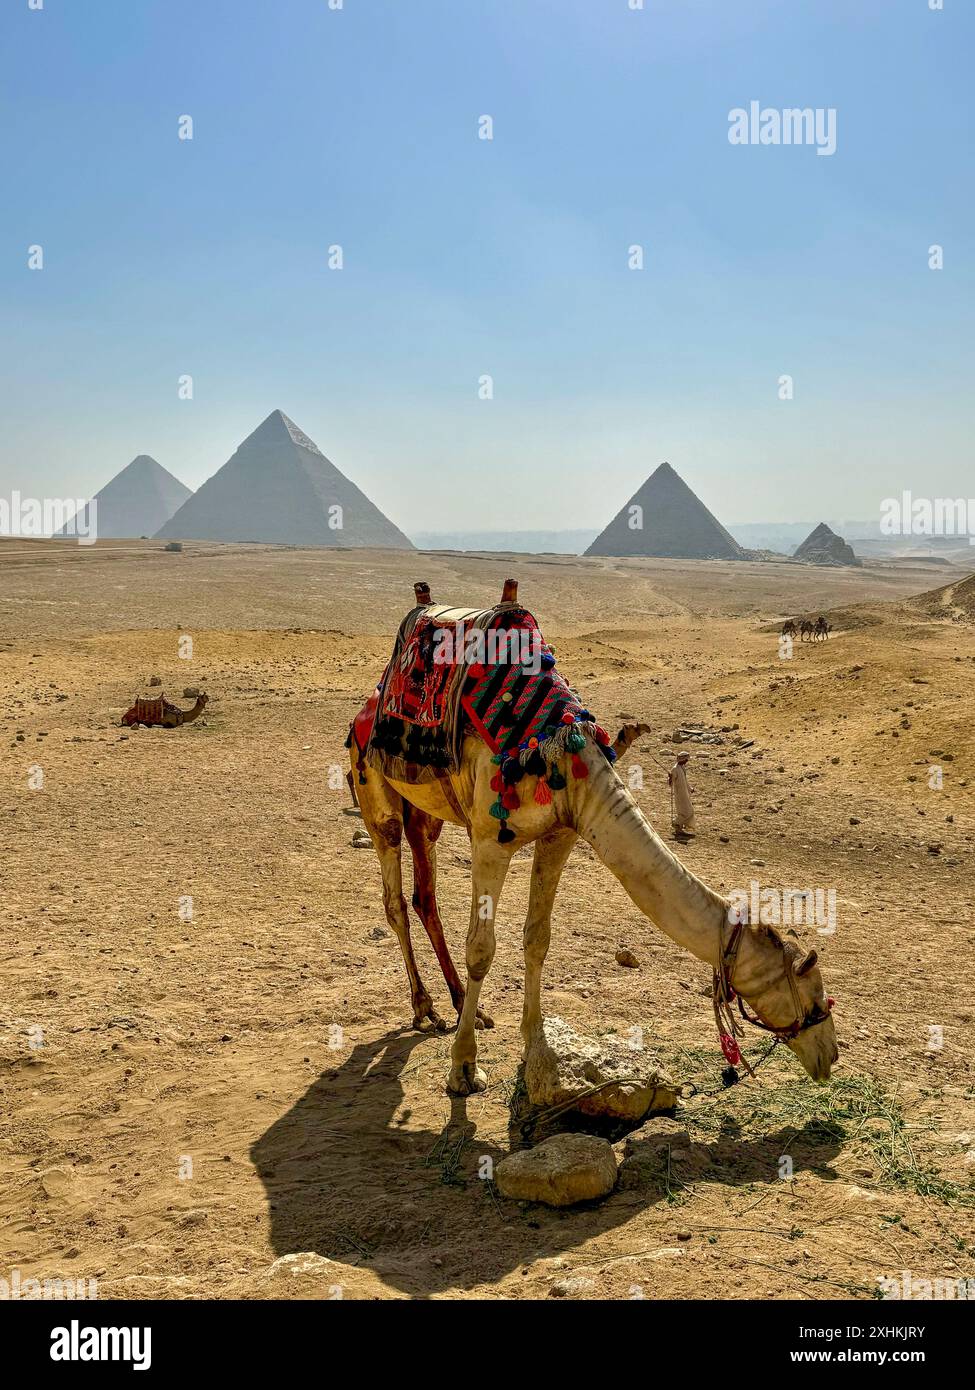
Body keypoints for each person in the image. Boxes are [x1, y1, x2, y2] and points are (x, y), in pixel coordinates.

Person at [668, 751, 695, 837]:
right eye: (686, 760)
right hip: (679, 794)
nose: (687, 761)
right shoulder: (675, 769)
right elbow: (670, 784)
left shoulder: (682, 767)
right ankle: (676, 824)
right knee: (685, 811)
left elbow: (685, 781)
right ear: (682, 759)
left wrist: (690, 789)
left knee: (689, 810)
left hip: (685, 793)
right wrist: (670, 778)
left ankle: (679, 827)